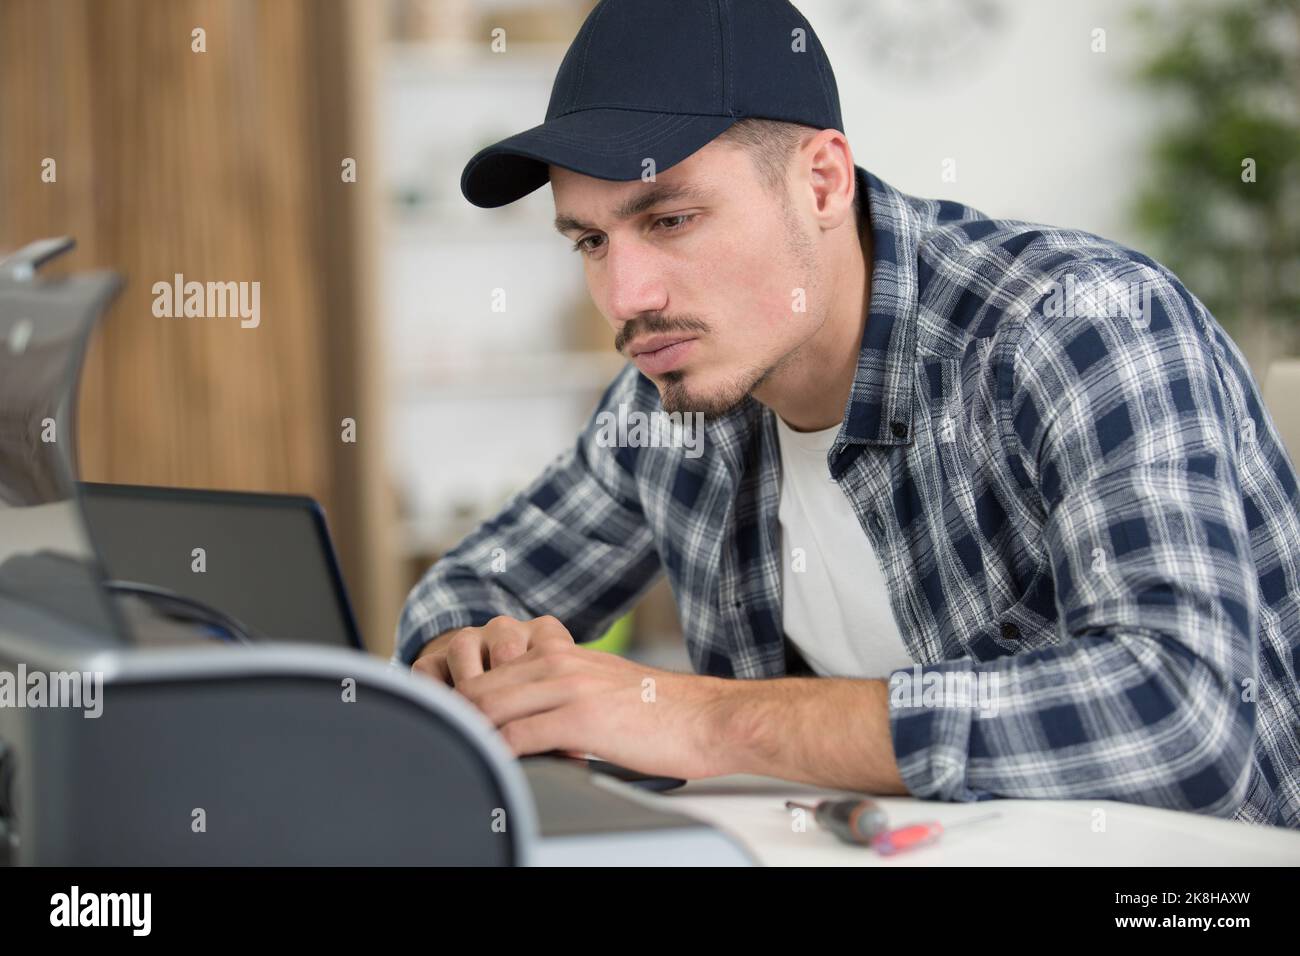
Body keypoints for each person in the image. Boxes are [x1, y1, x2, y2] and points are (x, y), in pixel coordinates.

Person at [395, 0, 1300, 828]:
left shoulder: (1081, 325)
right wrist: (476, 658)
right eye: (591, 240)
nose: (625, 295)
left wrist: (707, 721)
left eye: (670, 220)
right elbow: (471, 586)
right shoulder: (673, 398)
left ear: (822, 182)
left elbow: (1188, 719)